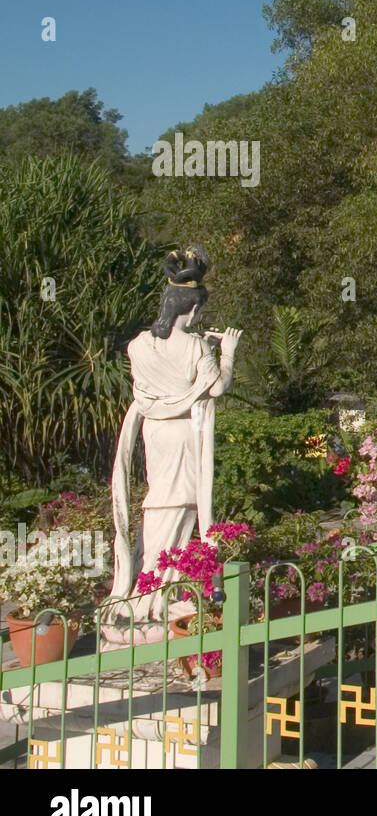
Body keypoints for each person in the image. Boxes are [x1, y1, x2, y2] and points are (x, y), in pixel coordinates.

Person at [108, 246, 241, 623]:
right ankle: (154, 593)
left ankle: (153, 584)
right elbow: (215, 388)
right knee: (182, 502)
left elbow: (151, 387)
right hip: (184, 431)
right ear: (194, 309)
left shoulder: (139, 345)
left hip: (155, 431)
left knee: (160, 496)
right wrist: (227, 352)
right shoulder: (196, 345)